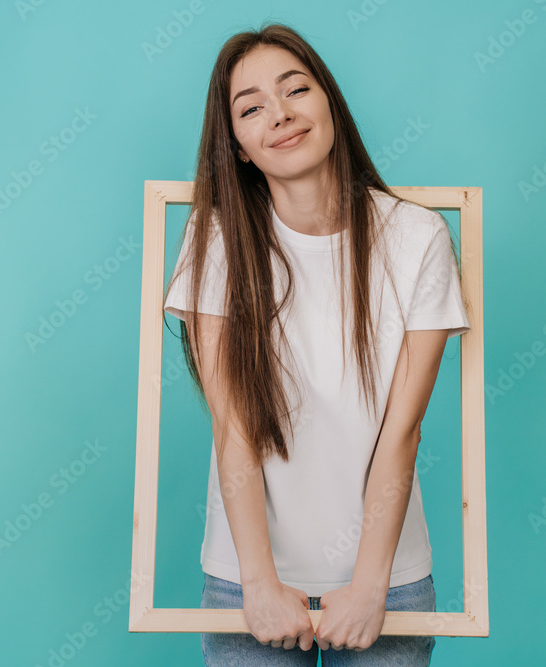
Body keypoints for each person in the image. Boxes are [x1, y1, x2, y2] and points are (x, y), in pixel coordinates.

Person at [162, 21, 471, 666]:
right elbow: (234, 426)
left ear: (329, 101)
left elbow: (401, 433)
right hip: (247, 576)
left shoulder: (417, 238)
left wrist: (369, 584)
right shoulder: (215, 238)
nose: (280, 115)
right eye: (251, 109)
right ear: (239, 146)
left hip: (386, 576)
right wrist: (258, 583)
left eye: (295, 89)